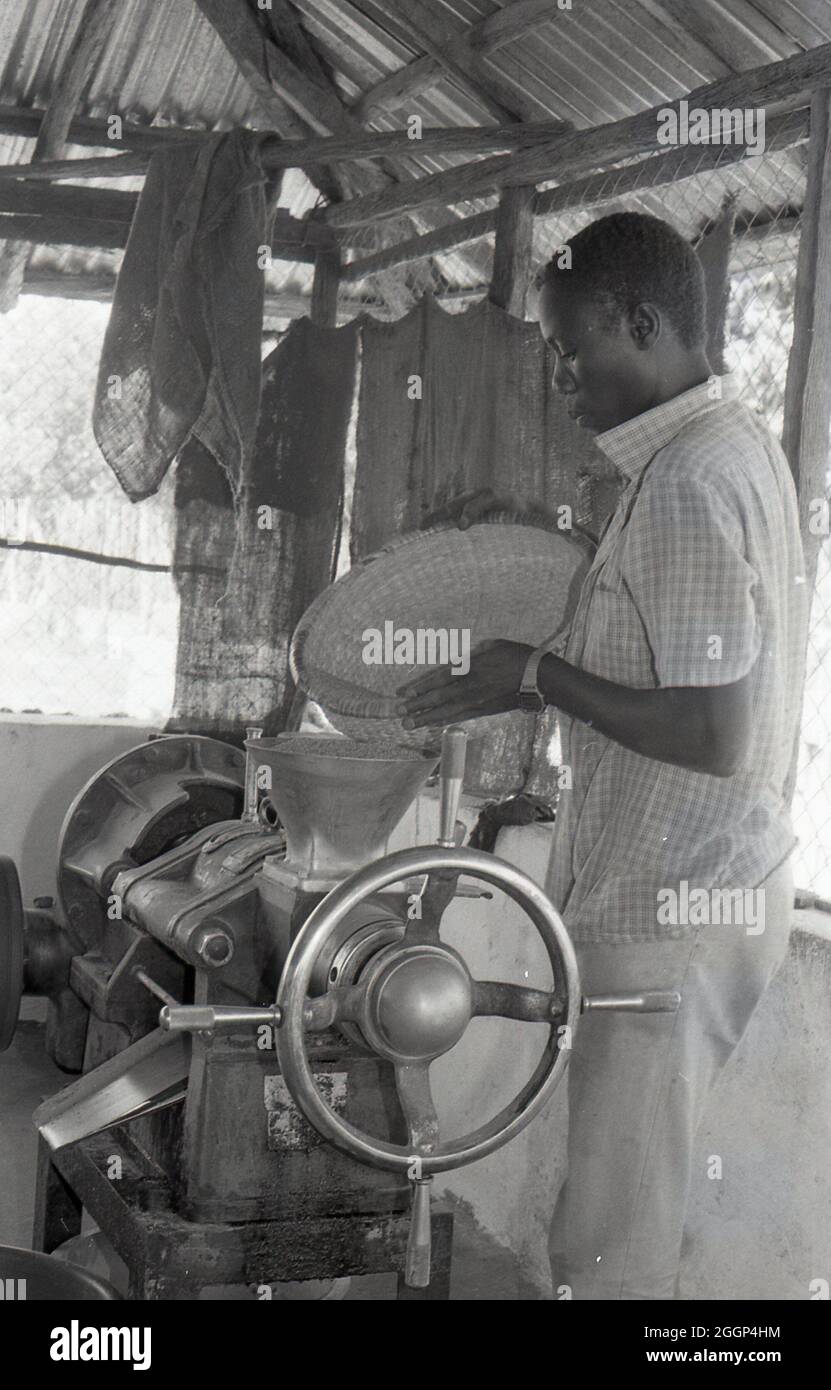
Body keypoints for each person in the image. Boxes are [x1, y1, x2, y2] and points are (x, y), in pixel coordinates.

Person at [399, 211, 809, 1300]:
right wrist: (543, 535)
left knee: (608, 1242)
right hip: (703, 884)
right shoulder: (725, 450)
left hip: (676, 903)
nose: (562, 377)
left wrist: (531, 675)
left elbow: (715, 731)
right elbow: (658, 619)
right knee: (619, 1200)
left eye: (573, 350)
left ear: (642, 321)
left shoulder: (683, 481)